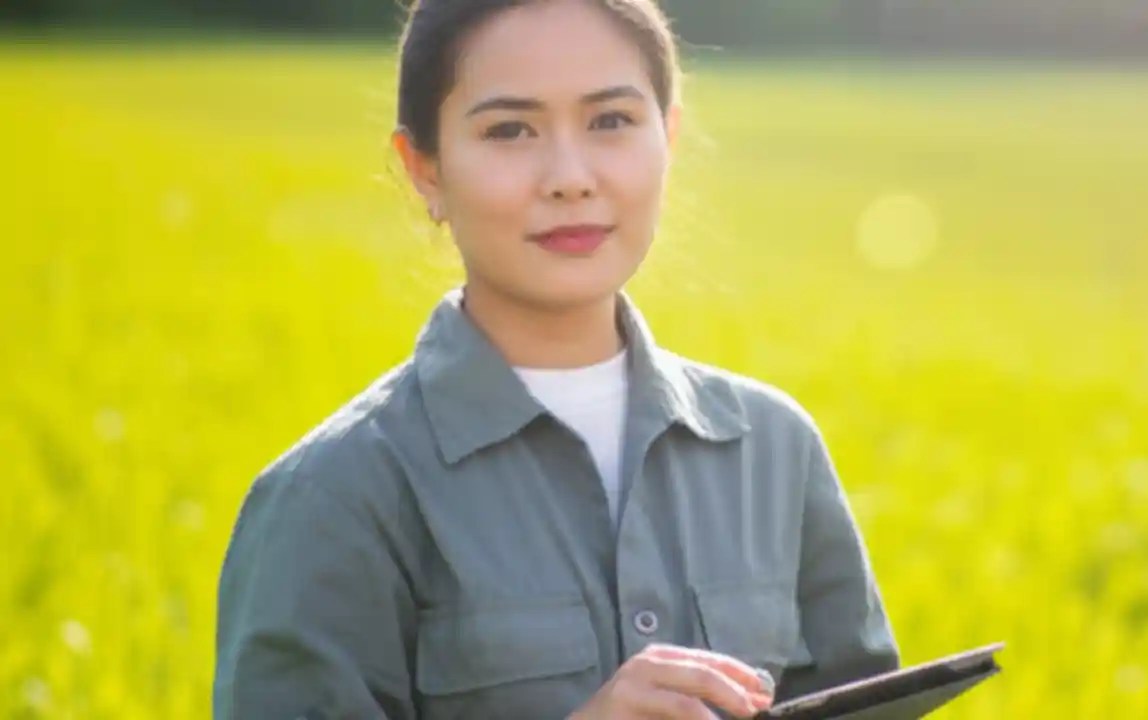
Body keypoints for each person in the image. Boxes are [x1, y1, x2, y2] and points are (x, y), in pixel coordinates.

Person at [213, 0, 900, 717]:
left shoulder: (775, 453)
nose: (570, 177)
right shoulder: (334, 498)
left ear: (668, 134)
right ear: (425, 170)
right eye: (510, 130)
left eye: (611, 122)